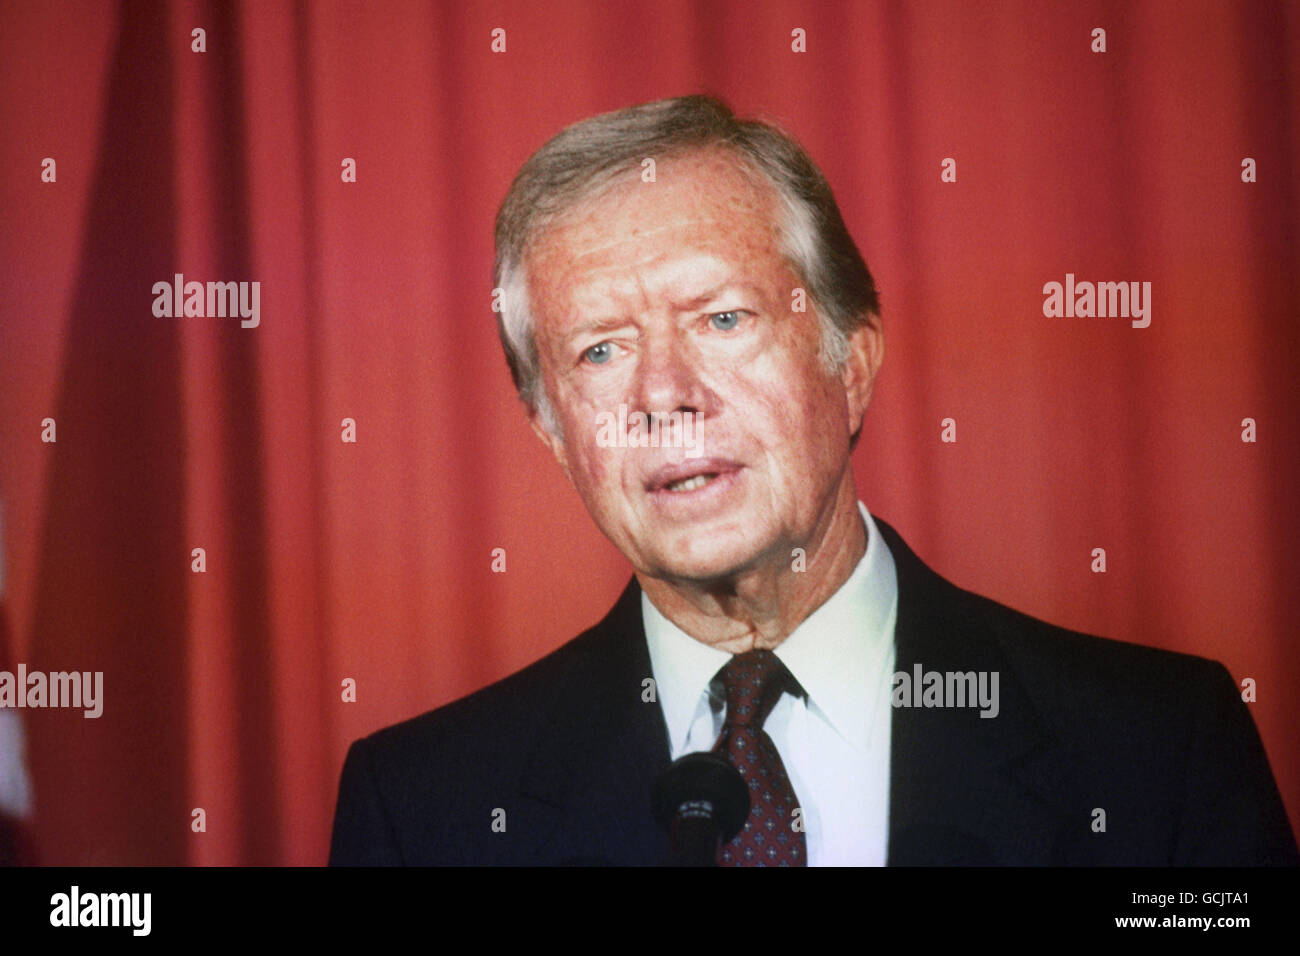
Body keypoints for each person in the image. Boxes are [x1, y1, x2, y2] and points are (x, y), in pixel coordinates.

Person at [329, 95, 1297, 866]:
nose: (664, 394)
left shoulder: (1157, 754)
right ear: (550, 429)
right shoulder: (423, 810)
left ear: (851, 362)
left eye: (721, 319)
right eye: (600, 350)